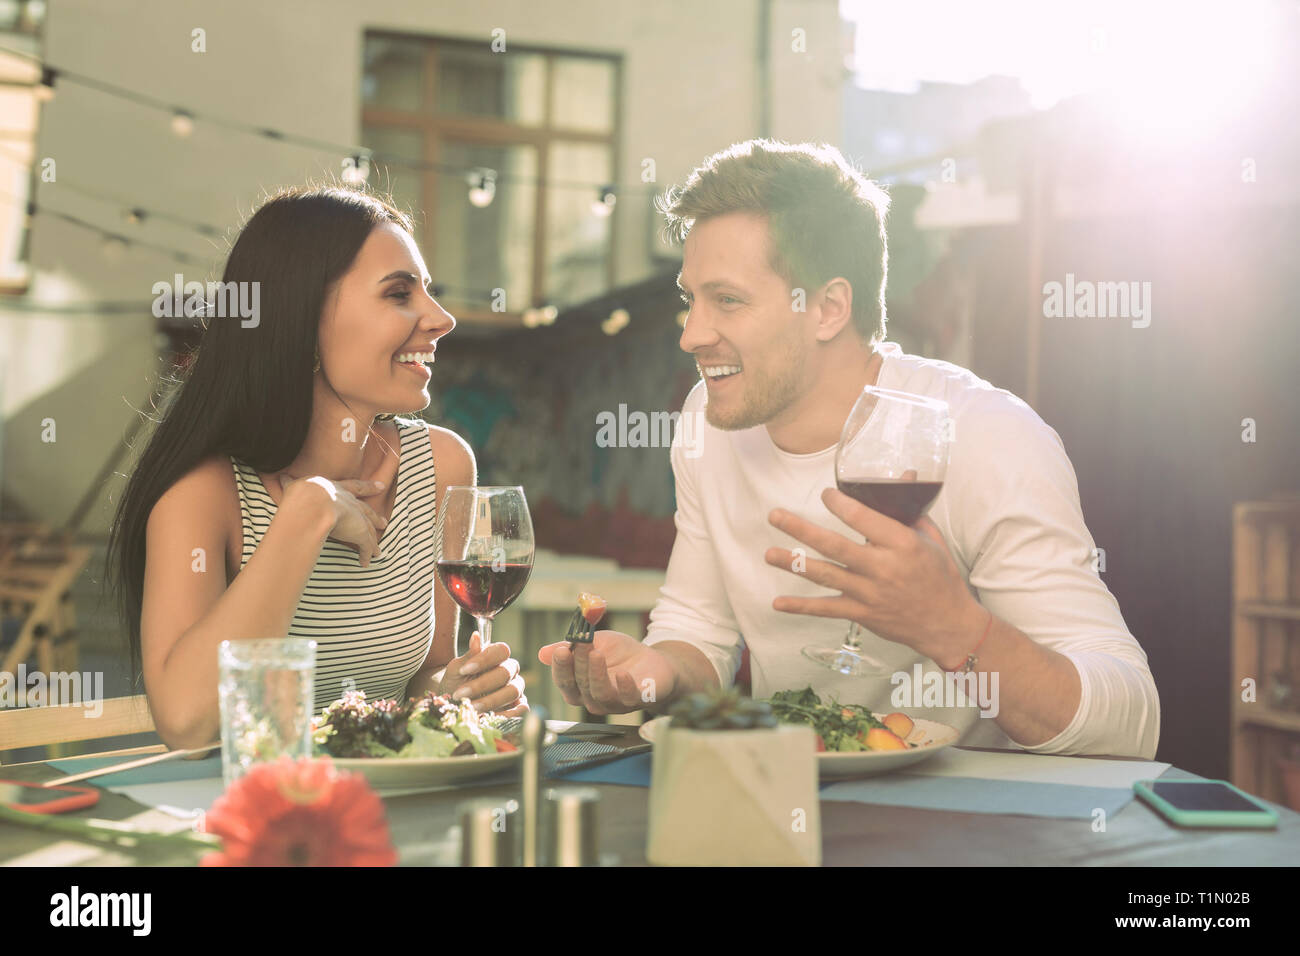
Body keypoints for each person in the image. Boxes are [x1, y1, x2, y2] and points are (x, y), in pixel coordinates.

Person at [538, 140, 1159, 758]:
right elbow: (699, 631)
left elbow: (1129, 724)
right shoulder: (708, 418)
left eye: (727, 300)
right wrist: (651, 672)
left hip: (962, 825)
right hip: (786, 809)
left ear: (829, 307)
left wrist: (958, 631)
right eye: (690, 300)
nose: (693, 335)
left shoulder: (984, 434)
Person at [107, 184, 527, 751]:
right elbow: (186, 725)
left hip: (388, 811)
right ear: (301, 319)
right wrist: (310, 511)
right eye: (399, 294)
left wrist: (451, 696)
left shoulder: (442, 465)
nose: (441, 319)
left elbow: (422, 678)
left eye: (428, 292)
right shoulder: (205, 493)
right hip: (255, 818)